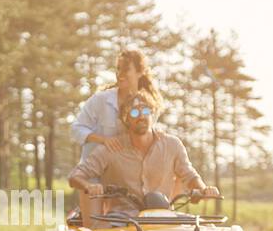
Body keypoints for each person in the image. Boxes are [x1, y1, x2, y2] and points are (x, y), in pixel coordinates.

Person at [68, 80, 219, 221]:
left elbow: (190, 176)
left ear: (152, 114)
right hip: (122, 222)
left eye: (145, 110)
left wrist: (204, 190)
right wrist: (89, 186)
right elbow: (75, 176)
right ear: (125, 119)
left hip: (163, 219)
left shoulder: (172, 145)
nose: (141, 116)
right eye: (134, 112)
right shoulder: (110, 150)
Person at [71, 48, 150, 160]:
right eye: (118, 68)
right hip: (93, 174)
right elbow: (76, 129)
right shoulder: (101, 99)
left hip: (124, 173)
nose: (119, 73)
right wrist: (103, 140)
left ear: (140, 72)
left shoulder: (146, 105)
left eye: (126, 69)